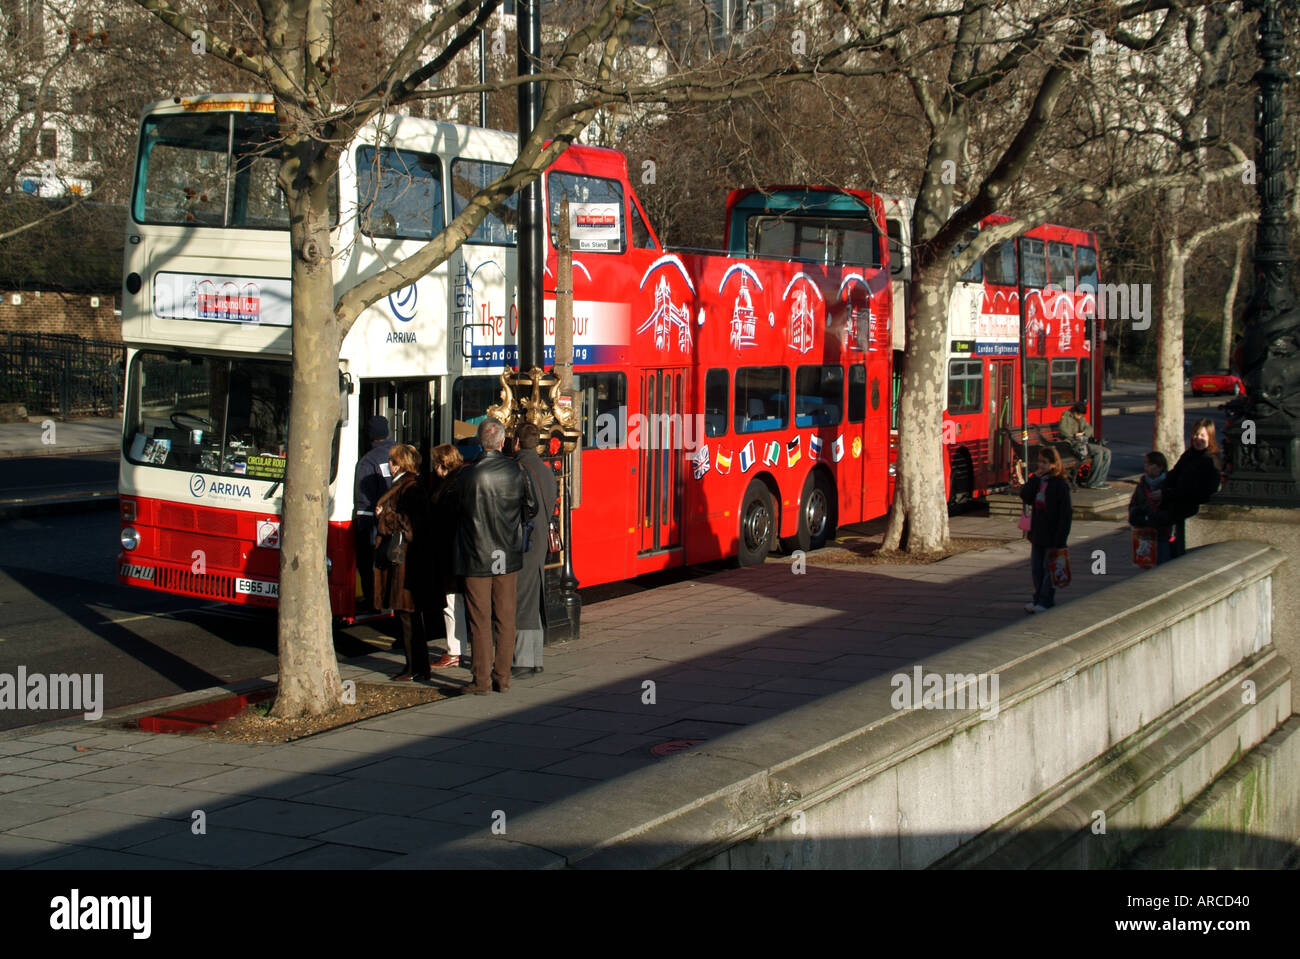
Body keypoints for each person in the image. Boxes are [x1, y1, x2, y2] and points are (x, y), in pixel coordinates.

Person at [453, 418, 537, 694]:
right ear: (502, 442)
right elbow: (531, 507)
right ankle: (502, 676)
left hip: (476, 554)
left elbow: (453, 513)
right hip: (506, 554)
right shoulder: (517, 470)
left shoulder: (467, 475)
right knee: (505, 616)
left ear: (480, 442)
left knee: (479, 620)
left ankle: (481, 680)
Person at [374, 444, 432, 681]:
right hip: (407, 559)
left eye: (391, 460)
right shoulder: (408, 484)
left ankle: (414, 667)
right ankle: (417, 666)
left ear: (399, 464)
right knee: (409, 616)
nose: (388, 464)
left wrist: (384, 516)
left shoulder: (409, 487)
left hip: (405, 560)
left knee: (408, 616)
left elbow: (408, 525)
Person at [512, 422, 558, 679]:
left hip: (524, 540)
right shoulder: (545, 469)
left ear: (516, 442)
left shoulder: (518, 469)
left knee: (524, 599)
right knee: (534, 593)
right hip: (539, 539)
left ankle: (524, 661)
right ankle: (536, 657)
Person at [1150, 418, 1221, 559]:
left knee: (1180, 554)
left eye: (1202, 436)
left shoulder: (1210, 461)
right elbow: (1173, 475)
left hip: (1191, 512)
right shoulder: (1189, 454)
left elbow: (1195, 490)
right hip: (1177, 510)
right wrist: (1162, 489)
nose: (1197, 439)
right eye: (1195, 434)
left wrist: (1165, 494)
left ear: (1210, 438)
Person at [428, 444, 469, 670]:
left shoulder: (450, 485)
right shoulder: (460, 478)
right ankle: (456, 649)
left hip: (451, 552)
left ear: (443, 463)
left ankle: (454, 650)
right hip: (456, 550)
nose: (434, 467)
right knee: (457, 602)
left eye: (436, 462)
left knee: (452, 604)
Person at [1019, 446, 1072, 613]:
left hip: (1052, 533)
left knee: (1049, 569)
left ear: (1054, 465)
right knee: (1036, 569)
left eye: (1045, 462)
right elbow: (1026, 497)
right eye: (1039, 462)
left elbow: (1065, 513)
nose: (1040, 465)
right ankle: (1037, 598)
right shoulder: (1038, 481)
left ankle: (1046, 600)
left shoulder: (1060, 485)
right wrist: (1034, 479)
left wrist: (1061, 538)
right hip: (1037, 532)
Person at [353, 415, 395, 614]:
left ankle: (373, 601)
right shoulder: (399, 453)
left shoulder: (368, 461)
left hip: (371, 521)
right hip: (393, 520)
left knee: (367, 562)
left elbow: (363, 499)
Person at [1128, 451, 1172, 566]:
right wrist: (1141, 518)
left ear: (1160, 466)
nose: (1146, 466)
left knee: (1163, 563)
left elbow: (1173, 508)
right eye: (1145, 463)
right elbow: (1133, 505)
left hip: (1162, 532)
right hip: (1145, 533)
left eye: (1150, 464)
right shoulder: (1142, 485)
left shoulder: (1169, 484)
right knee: (1146, 565)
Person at [1059, 400, 1111, 489]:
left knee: (1107, 452)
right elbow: (1063, 430)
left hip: (1082, 442)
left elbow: (1089, 428)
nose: (1080, 417)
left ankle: (1100, 480)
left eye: (1081, 415)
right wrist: (1074, 435)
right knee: (1098, 452)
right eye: (1078, 414)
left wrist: (1084, 433)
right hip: (1072, 444)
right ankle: (1093, 482)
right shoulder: (1066, 416)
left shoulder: (1081, 418)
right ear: (1074, 411)